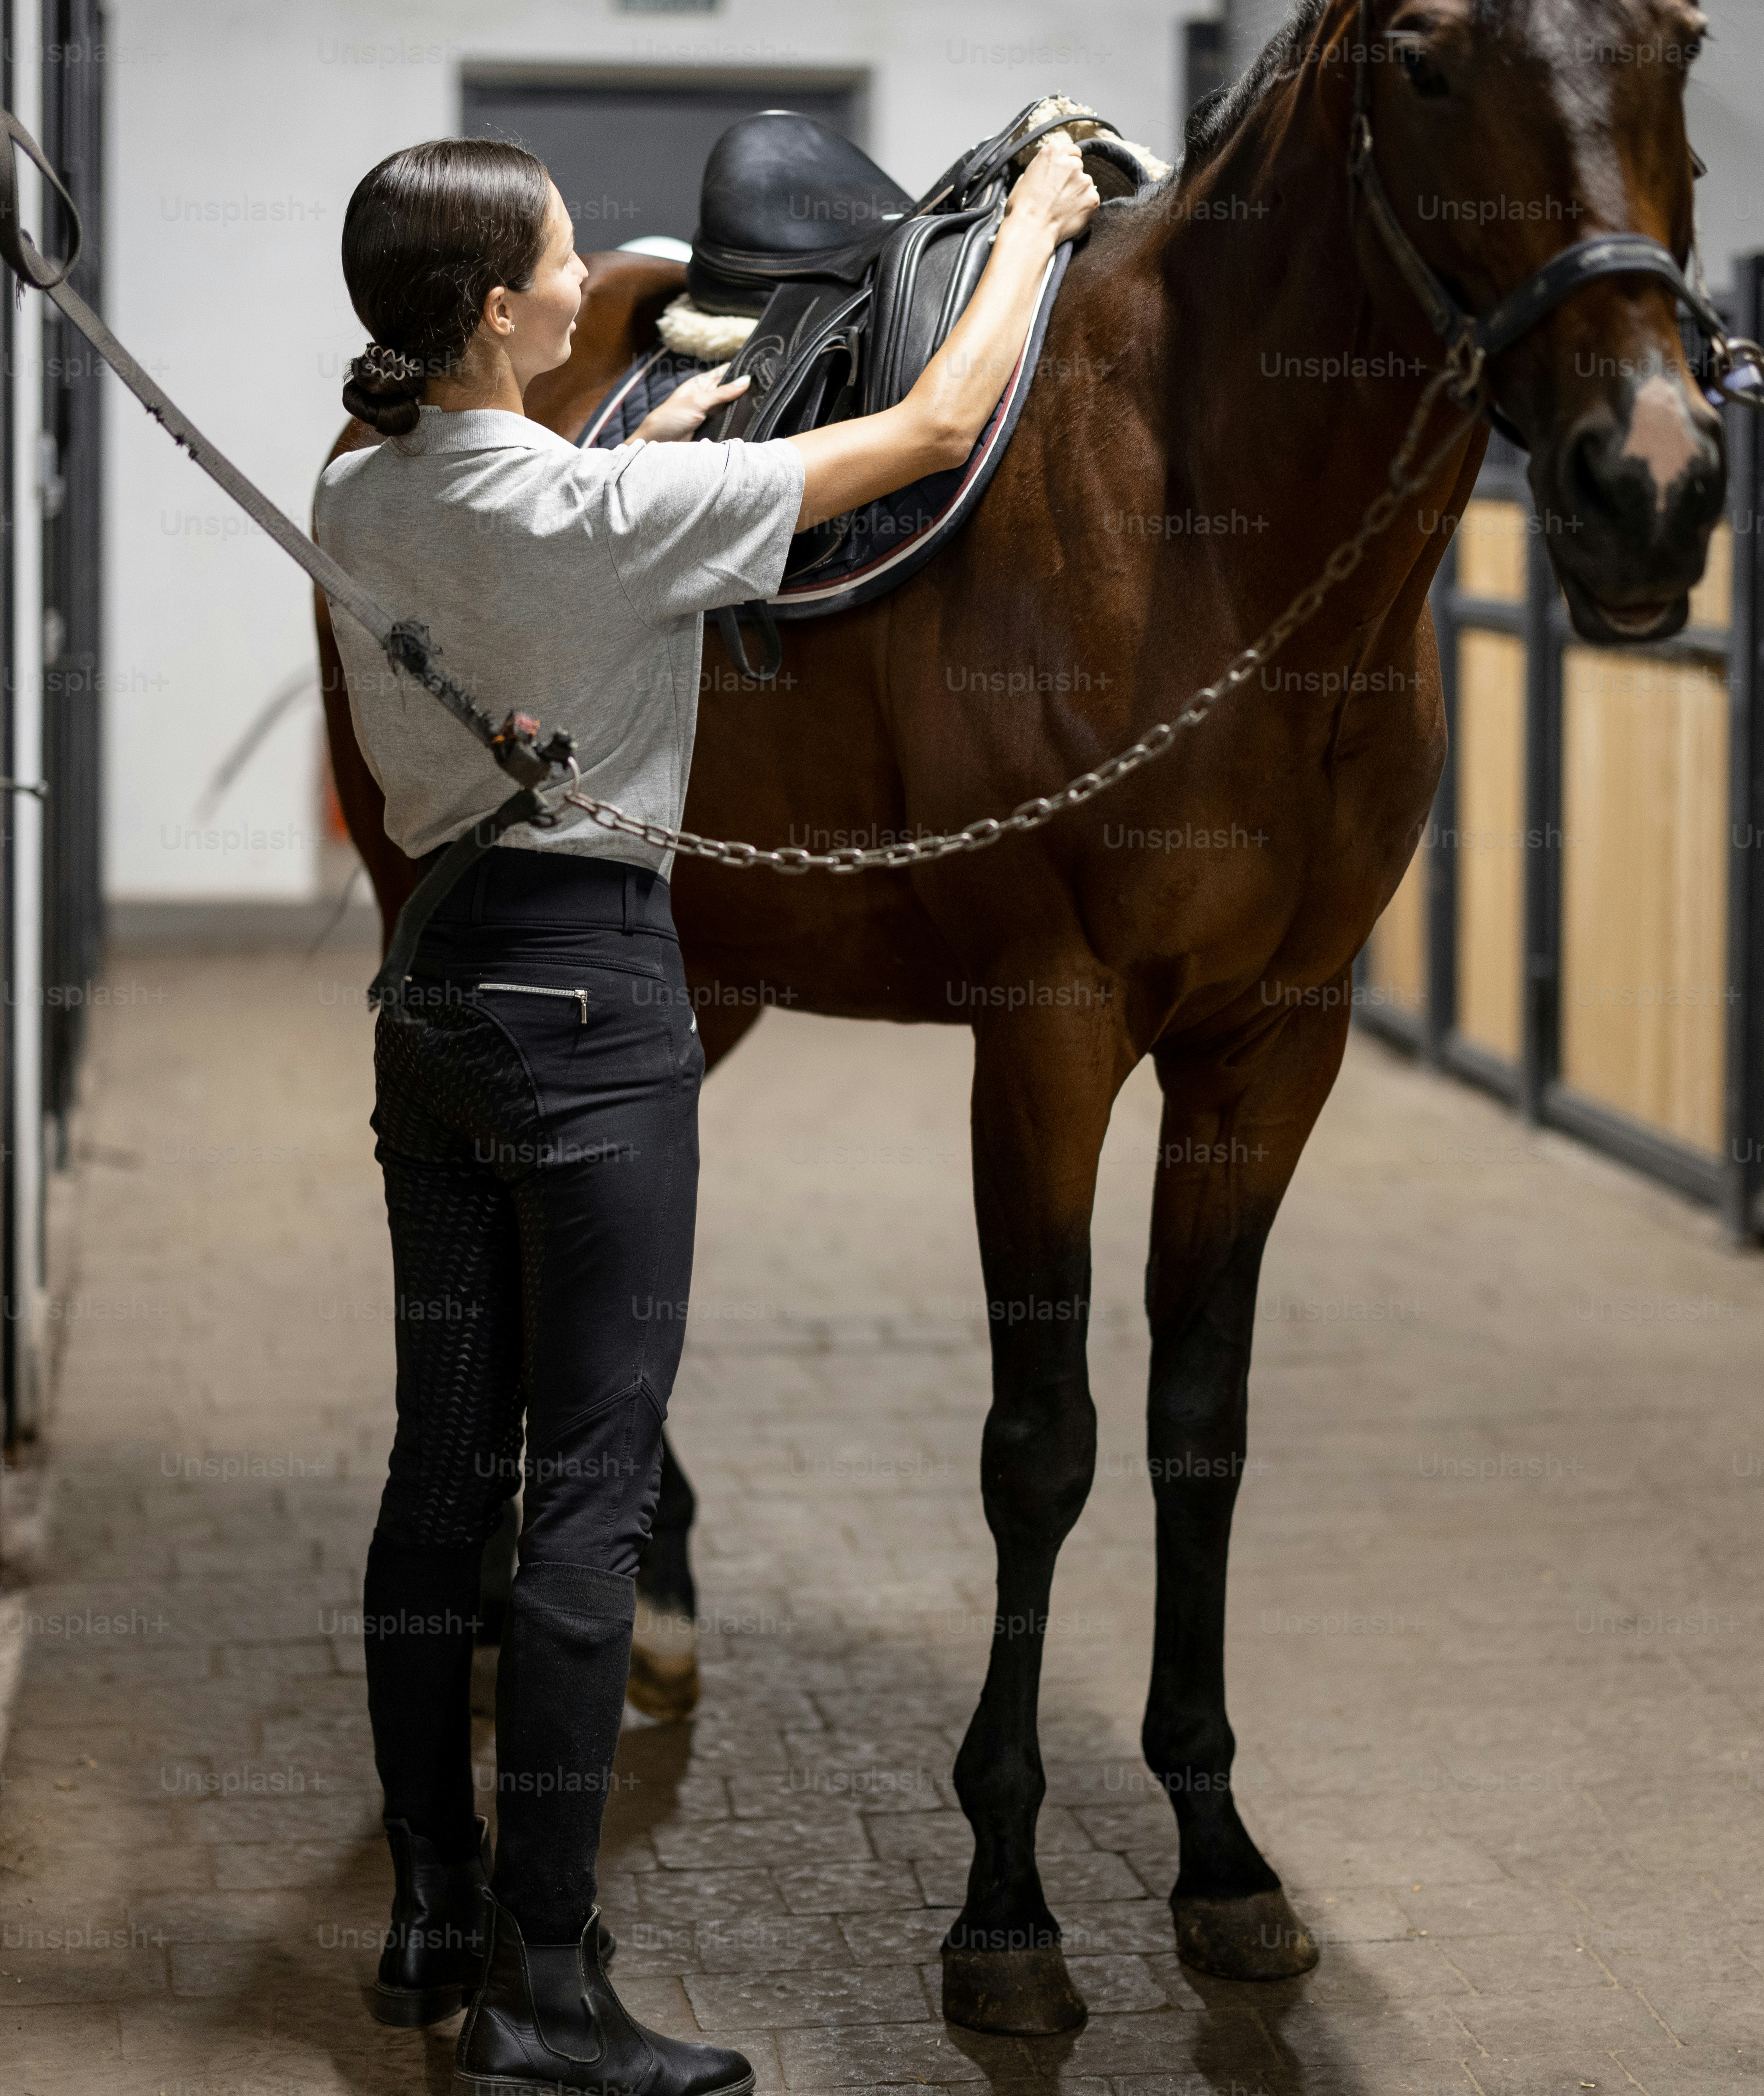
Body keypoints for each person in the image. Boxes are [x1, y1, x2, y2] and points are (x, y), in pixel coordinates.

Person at [314, 131, 1098, 2096]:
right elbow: (928, 428)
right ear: (495, 314)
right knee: (586, 1495)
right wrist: (1037, 231)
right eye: (565, 263)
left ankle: (430, 1905)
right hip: (593, 1003)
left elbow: (534, 466)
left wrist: (680, 404)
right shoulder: (611, 513)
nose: (595, 282)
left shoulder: (356, 485)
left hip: (433, 1004)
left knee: (439, 1473)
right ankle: (545, 1996)